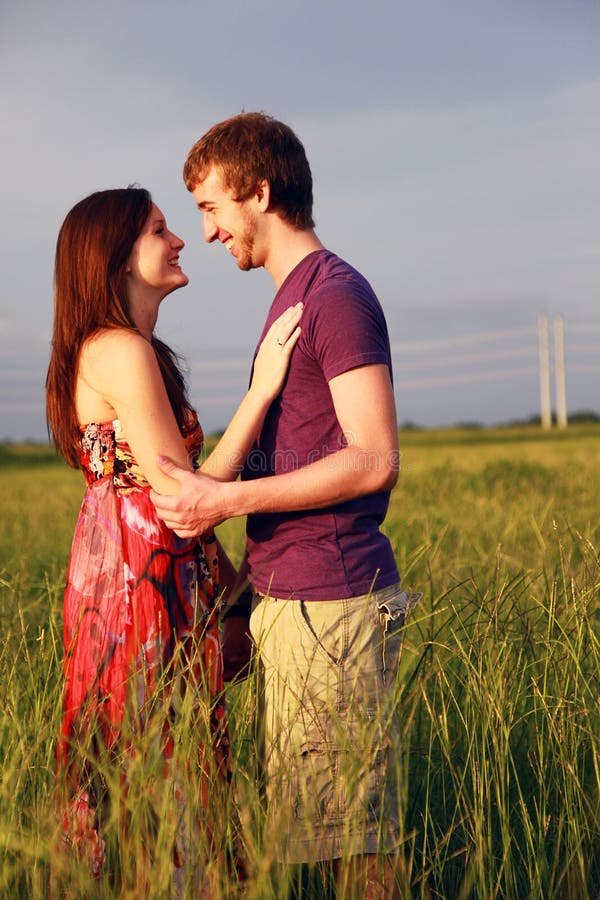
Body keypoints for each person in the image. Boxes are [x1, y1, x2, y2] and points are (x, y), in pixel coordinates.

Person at [150, 112, 421, 897]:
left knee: (359, 854)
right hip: (296, 604)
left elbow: (374, 459)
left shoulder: (333, 296)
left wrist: (228, 498)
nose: (206, 233)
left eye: (210, 207)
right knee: (327, 843)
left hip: (333, 601)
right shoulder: (290, 300)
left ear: (259, 192)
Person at [45, 186, 302, 888]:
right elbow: (185, 496)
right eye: (160, 230)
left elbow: (177, 497)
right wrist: (265, 389)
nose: (182, 238)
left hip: (148, 567)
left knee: (161, 760)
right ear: (118, 258)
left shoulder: (133, 351)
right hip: (137, 584)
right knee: (159, 762)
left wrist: (229, 590)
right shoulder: (120, 351)